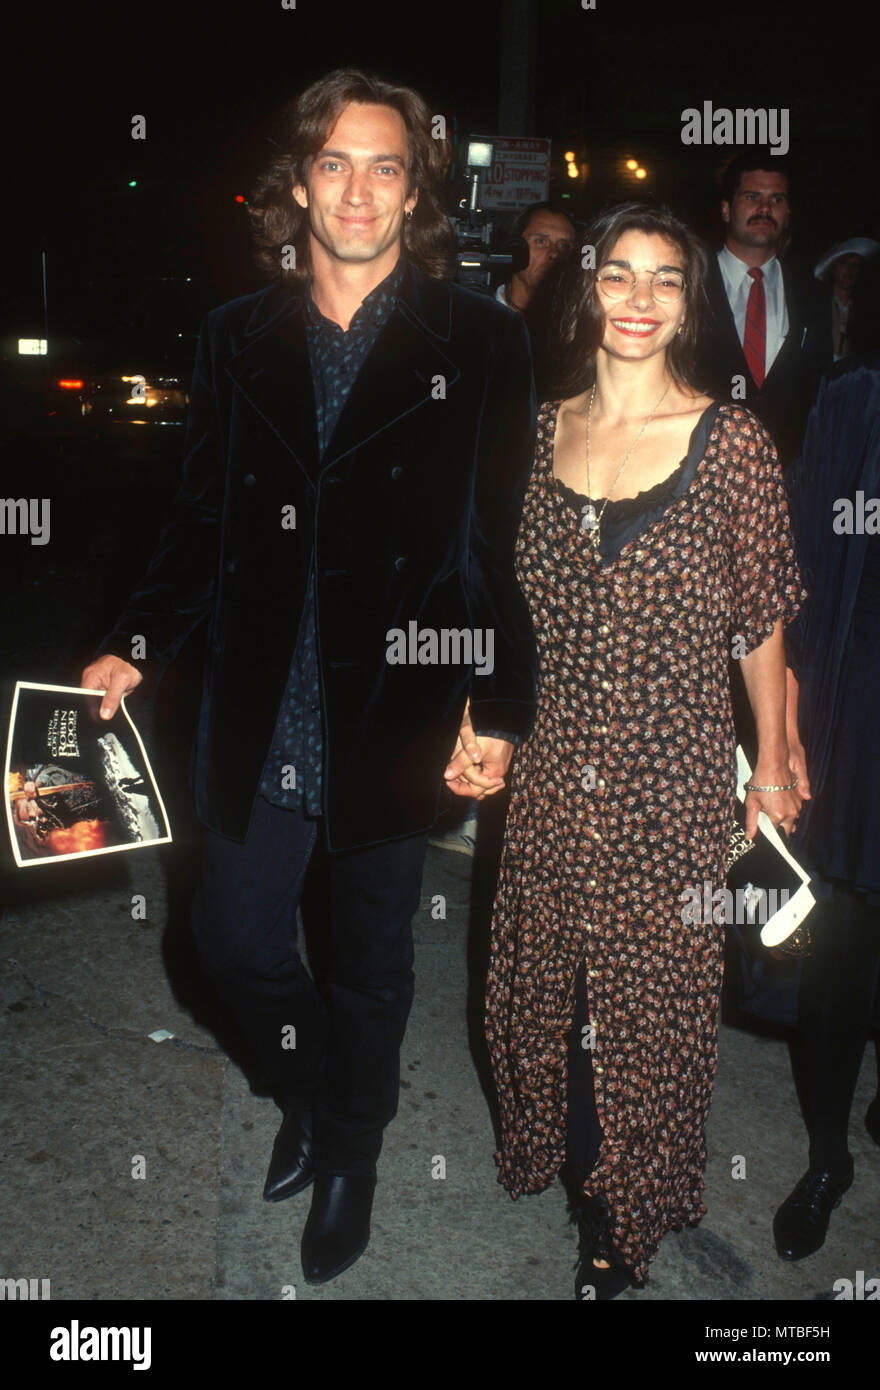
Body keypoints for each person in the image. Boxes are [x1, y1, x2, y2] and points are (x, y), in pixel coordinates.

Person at [80, 67, 537, 1287]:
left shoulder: (482, 338)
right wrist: (137, 639)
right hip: (259, 695)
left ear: (414, 189)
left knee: (373, 959)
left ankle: (352, 1154)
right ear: (297, 182)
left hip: (395, 705)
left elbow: (493, 544)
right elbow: (195, 522)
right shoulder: (237, 335)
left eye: (383, 164)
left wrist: (497, 708)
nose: (356, 187)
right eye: (331, 160)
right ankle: (309, 1083)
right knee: (230, 939)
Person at [448, 200, 806, 1298]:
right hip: (552, 772)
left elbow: (760, 619)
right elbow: (492, 600)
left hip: (672, 775)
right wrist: (477, 714)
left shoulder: (730, 440)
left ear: (689, 301)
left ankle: (616, 1229)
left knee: (640, 1017)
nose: (640, 300)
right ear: (585, 288)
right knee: (541, 1000)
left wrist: (779, 759)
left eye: (665, 279)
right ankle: (567, 1166)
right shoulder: (537, 428)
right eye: (617, 275)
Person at [773, 352, 880, 1261]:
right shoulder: (855, 399)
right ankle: (825, 1157)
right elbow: (796, 568)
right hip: (863, 724)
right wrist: (787, 727)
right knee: (839, 954)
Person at [703, 151, 832, 470]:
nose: (765, 208)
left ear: (788, 212)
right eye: (752, 197)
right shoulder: (689, 283)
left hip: (787, 479)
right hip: (699, 477)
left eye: (777, 200)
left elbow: (820, 391)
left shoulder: (812, 293)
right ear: (725, 208)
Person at [813, 237, 880, 360]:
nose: (850, 270)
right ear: (833, 267)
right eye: (844, 263)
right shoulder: (818, 304)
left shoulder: (865, 310)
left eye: (855, 265)